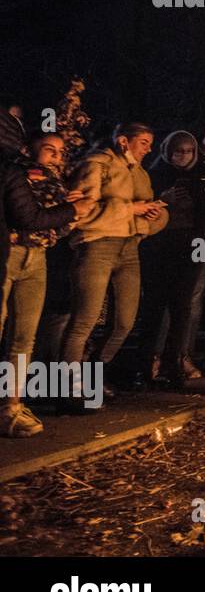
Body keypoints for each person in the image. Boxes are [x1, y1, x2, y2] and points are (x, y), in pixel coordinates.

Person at [62, 123, 169, 390]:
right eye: (143, 142)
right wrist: (130, 208)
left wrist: (156, 216)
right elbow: (80, 212)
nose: (148, 149)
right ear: (123, 141)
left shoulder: (141, 174)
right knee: (83, 320)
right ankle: (68, 387)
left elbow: (146, 212)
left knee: (124, 322)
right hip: (97, 245)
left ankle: (96, 372)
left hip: (129, 249)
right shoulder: (98, 165)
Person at [1, 133, 89, 435]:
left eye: (60, 151)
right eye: (48, 149)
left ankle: (11, 405)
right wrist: (71, 210)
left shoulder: (57, 183)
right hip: (9, 254)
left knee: (24, 337)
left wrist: (70, 214)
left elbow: (56, 227)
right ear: (30, 149)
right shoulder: (18, 172)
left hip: (37, 258)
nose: (55, 156)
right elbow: (29, 216)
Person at [139, 131, 205, 385]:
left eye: (188, 151)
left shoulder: (201, 176)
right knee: (157, 303)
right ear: (167, 151)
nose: (182, 156)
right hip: (161, 244)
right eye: (177, 151)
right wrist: (162, 200)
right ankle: (150, 358)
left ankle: (179, 358)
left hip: (193, 244)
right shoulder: (154, 174)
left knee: (186, 303)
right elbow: (142, 207)